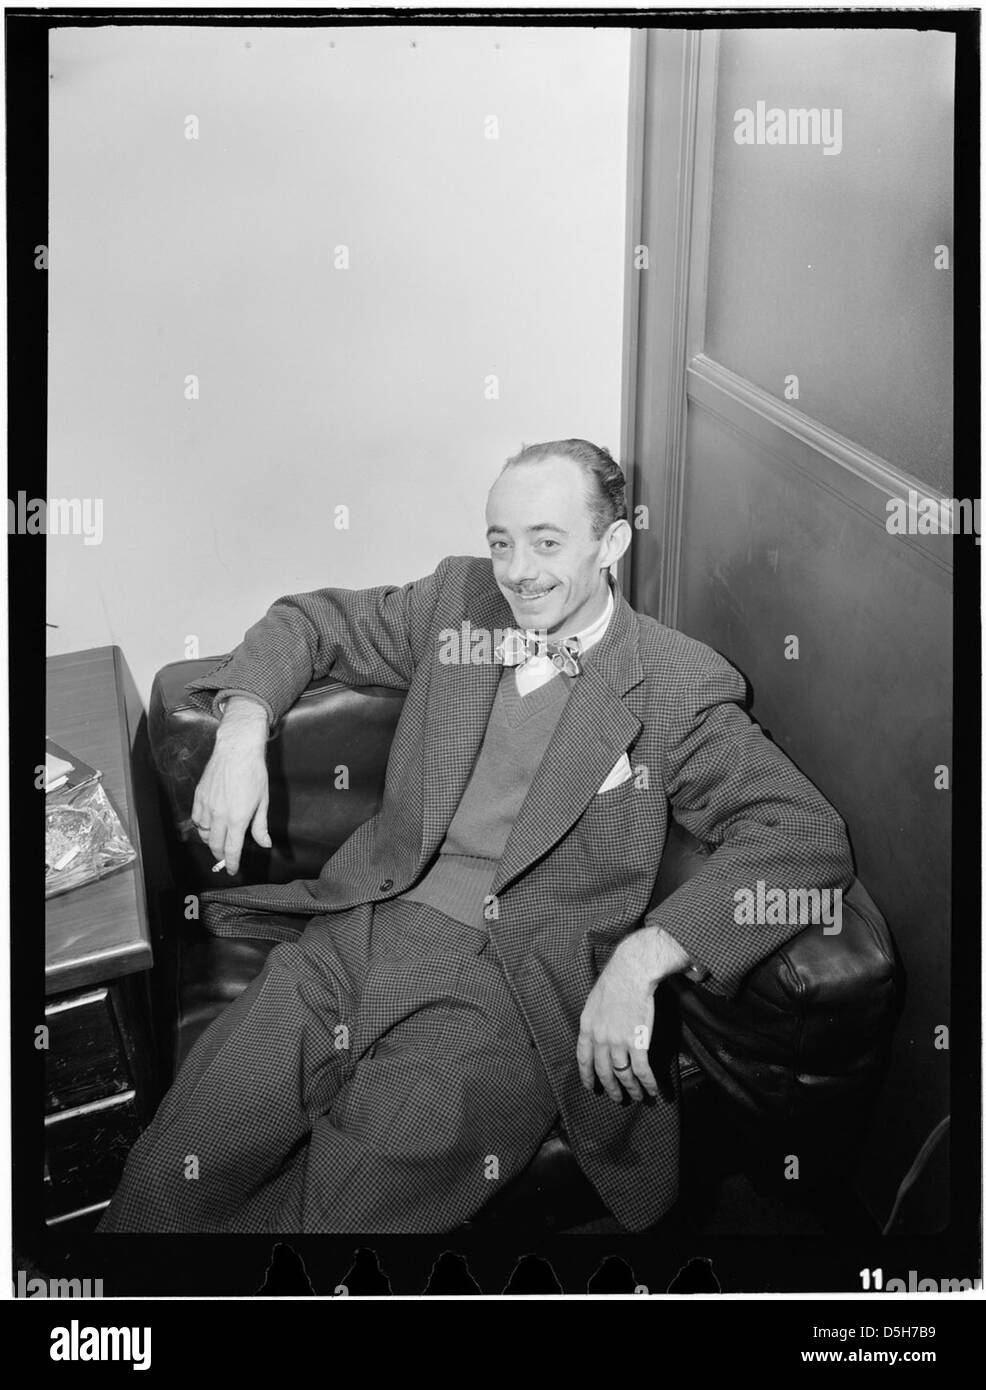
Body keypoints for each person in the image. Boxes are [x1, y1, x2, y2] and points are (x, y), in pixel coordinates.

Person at [98, 439, 852, 1234]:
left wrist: (647, 954)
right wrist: (242, 731)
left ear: (614, 542)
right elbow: (310, 621)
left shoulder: (676, 683)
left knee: (331, 1224)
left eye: (548, 542)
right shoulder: (460, 602)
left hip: (507, 991)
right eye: (502, 541)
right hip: (357, 930)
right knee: (176, 1165)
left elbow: (805, 836)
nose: (518, 570)